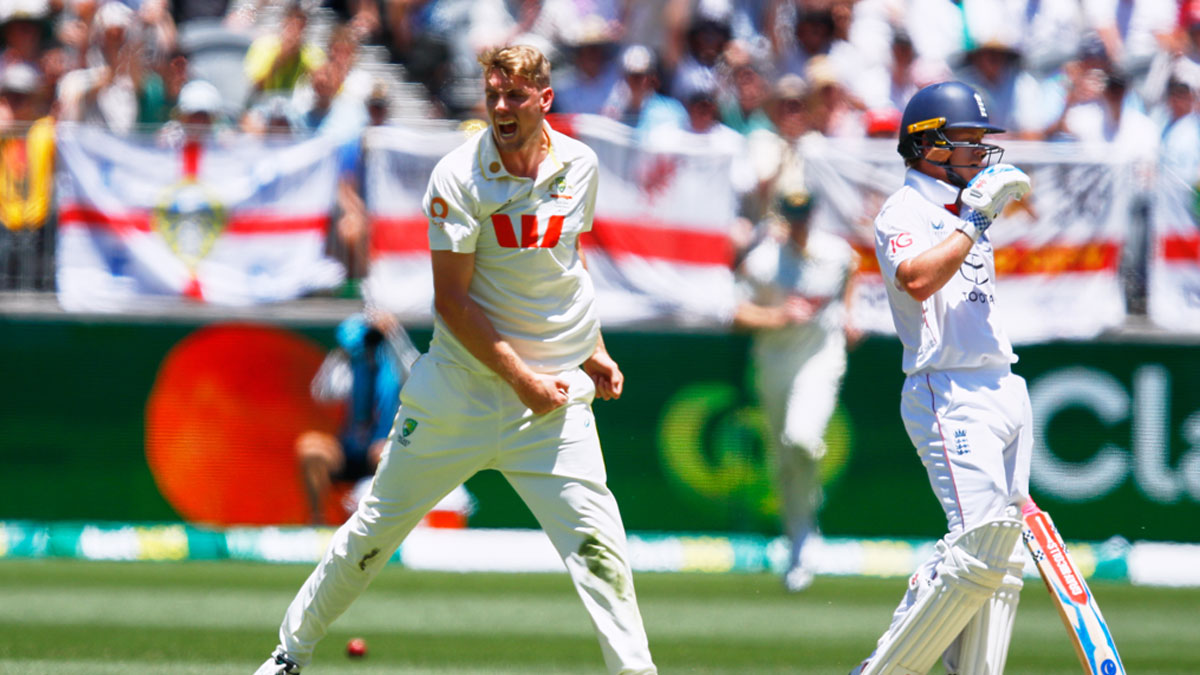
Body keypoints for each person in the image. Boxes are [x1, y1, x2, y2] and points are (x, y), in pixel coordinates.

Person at [254, 44, 657, 675]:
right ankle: (289, 654)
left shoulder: (580, 165)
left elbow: (566, 270)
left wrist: (593, 349)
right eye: (492, 93)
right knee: (371, 537)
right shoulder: (458, 178)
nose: (501, 107)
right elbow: (453, 302)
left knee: (602, 554)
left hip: (550, 403)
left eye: (515, 95)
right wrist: (521, 380)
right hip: (459, 396)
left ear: (544, 100)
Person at [850, 80, 1033, 674]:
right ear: (926, 144)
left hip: (1003, 384)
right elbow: (916, 279)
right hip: (947, 389)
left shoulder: (959, 211)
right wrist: (976, 219)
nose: (980, 153)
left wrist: (972, 216)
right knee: (976, 552)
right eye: (966, 141)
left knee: (1002, 561)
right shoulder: (905, 210)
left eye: (983, 142)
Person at [732, 189, 858, 593]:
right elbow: (735, 313)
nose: (801, 223)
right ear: (783, 217)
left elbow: (851, 270)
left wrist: (849, 314)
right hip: (773, 365)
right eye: (793, 215)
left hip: (821, 359)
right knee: (783, 457)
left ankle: (807, 533)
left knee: (801, 438)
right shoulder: (763, 262)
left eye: (806, 215)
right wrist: (777, 316)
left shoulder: (834, 252)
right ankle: (798, 536)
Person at [297, 311, 415, 526]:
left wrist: (393, 335)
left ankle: (386, 523)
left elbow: (414, 377)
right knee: (310, 446)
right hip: (350, 448)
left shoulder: (393, 366)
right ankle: (317, 520)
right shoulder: (350, 366)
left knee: (383, 452)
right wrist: (343, 350)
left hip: (382, 447)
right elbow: (323, 393)